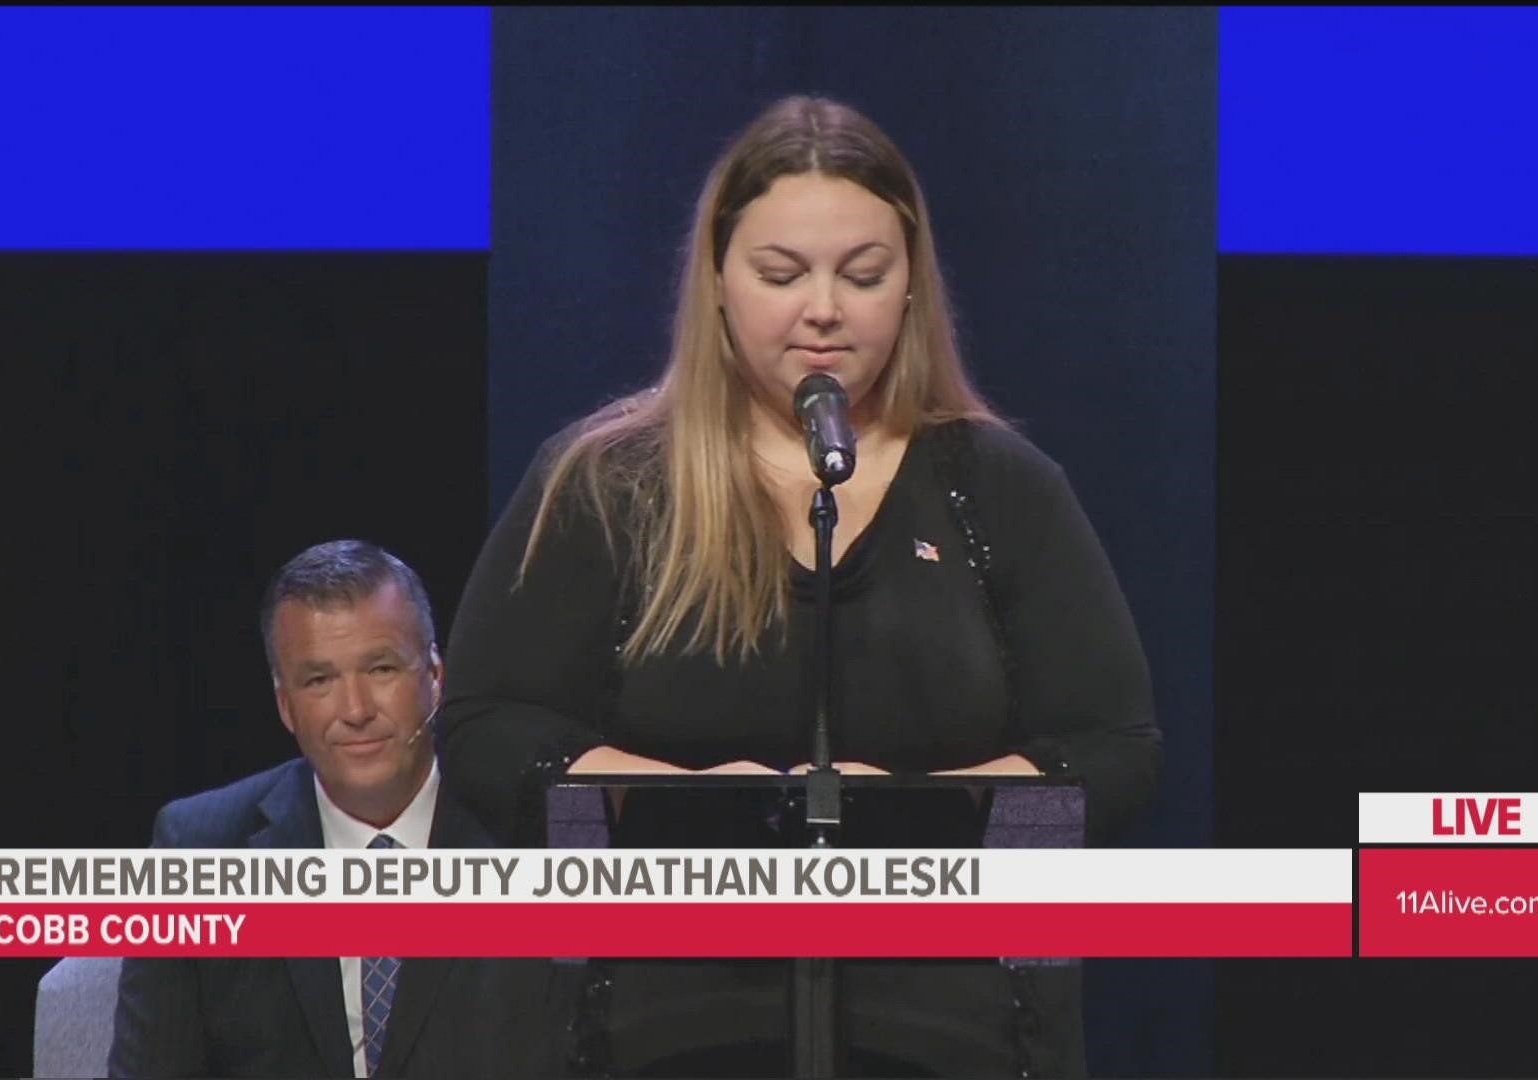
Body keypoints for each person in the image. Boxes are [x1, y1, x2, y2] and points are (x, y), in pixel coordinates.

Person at [439, 96, 1162, 1077]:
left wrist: (930, 807)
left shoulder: (998, 488)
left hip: (954, 1035)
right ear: (719, 282)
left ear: (911, 287)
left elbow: (1114, 752)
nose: (824, 308)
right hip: (662, 1032)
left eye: (863, 274)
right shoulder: (608, 486)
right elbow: (486, 726)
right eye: (783, 273)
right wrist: (675, 799)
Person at [109, 540, 565, 1078]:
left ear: (435, 678)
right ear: (286, 705)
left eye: (380, 669)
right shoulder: (197, 848)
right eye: (319, 680)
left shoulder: (539, 836)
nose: (355, 711)